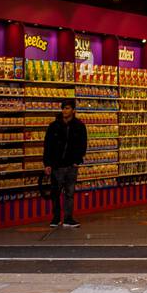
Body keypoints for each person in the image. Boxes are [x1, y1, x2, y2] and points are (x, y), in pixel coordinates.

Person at [43, 97, 88, 229]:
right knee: (55, 193)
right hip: (56, 165)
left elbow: (83, 145)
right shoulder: (53, 126)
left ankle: (68, 218)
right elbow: (48, 146)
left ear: (73, 110)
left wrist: (77, 160)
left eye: (67, 108)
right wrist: (47, 164)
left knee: (69, 193)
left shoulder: (79, 126)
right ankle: (56, 218)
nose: (64, 110)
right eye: (63, 108)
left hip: (71, 165)